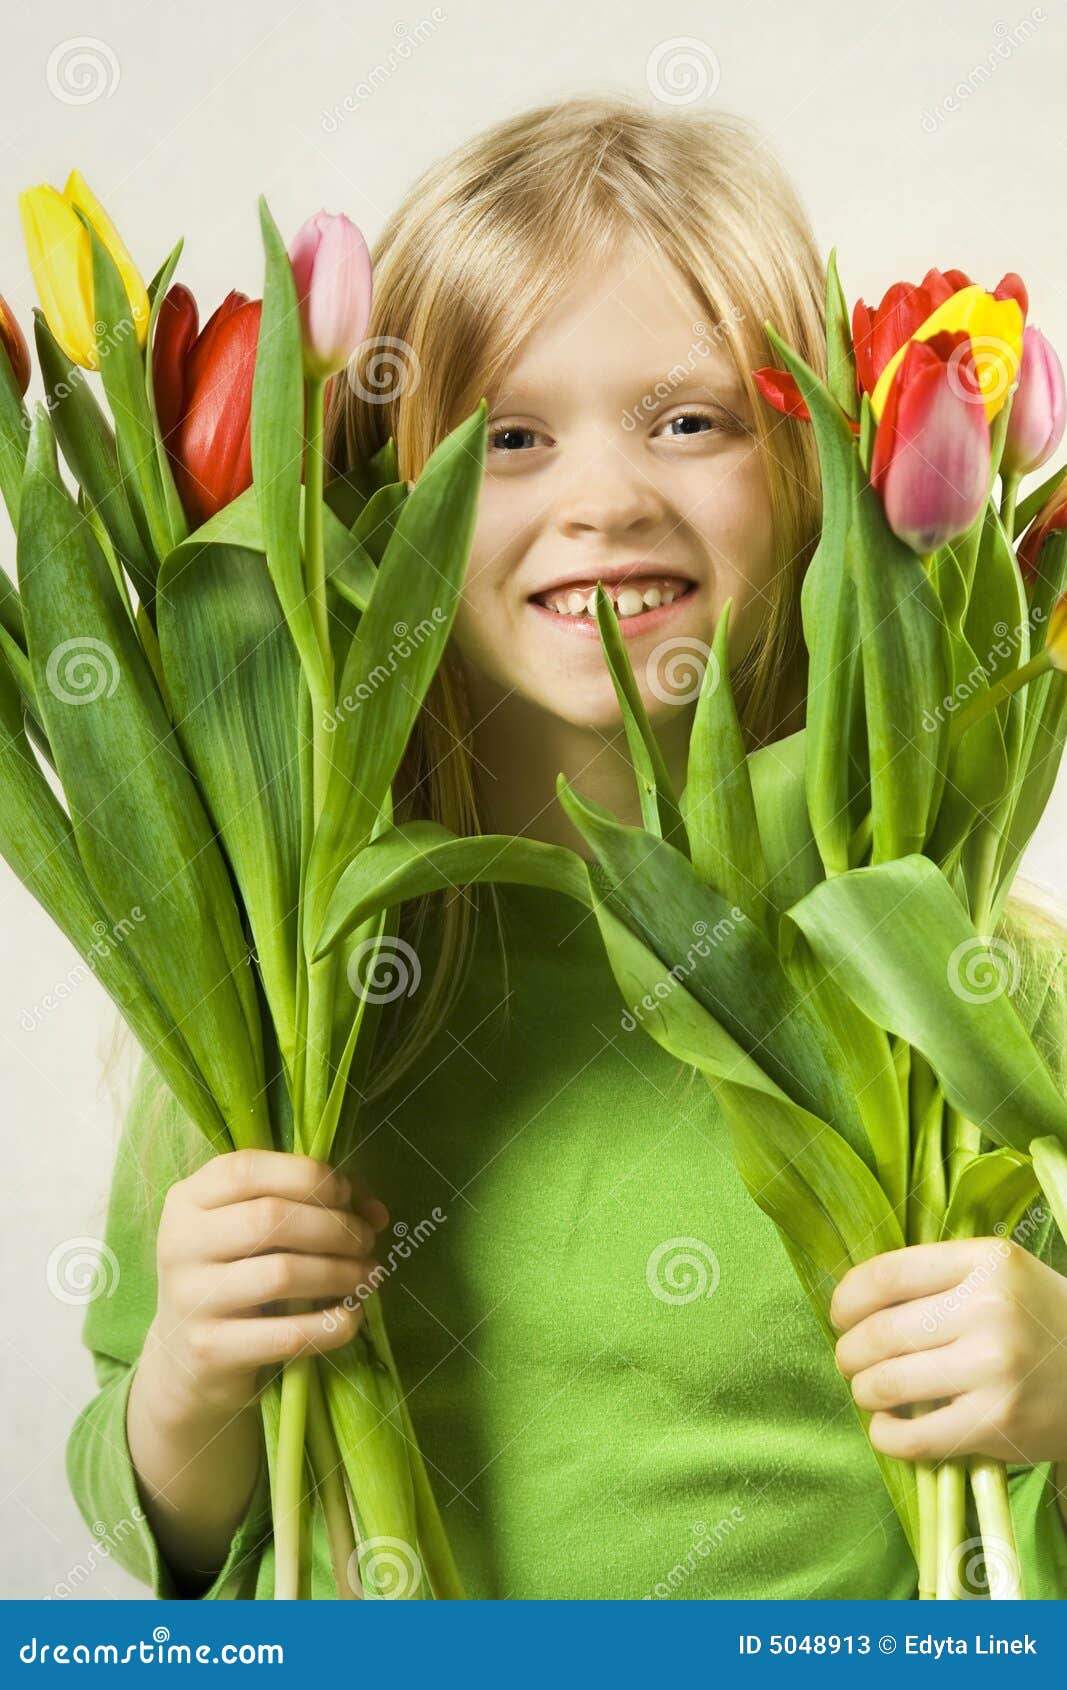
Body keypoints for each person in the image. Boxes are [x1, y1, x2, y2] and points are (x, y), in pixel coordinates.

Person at [67, 94, 1067, 1600]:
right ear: (382, 496)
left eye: (688, 420)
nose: (603, 501)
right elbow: (168, 1519)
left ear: (813, 458)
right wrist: (187, 1382)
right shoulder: (277, 995)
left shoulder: (973, 971)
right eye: (510, 438)